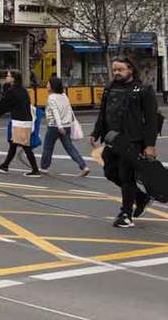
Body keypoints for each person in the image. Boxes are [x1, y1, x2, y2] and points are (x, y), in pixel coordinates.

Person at [92, 56, 161, 227]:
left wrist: (150, 145)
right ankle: (140, 197)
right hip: (111, 139)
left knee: (126, 176)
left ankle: (125, 214)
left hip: (132, 140)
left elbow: (151, 120)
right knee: (110, 172)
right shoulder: (110, 88)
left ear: (130, 69)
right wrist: (96, 133)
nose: (116, 73)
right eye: (114, 70)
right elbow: (103, 113)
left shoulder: (143, 90)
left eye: (120, 69)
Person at [0, 69, 41, 177]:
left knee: (25, 146)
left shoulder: (12, 91)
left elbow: (4, 105)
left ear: (13, 78)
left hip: (20, 122)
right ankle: (5, 165)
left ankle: (35, 170)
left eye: (8, 76)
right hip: (25, 121)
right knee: (13, 144)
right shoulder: (22, 90)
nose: (6, 78)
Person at [40, 76, 88, 176]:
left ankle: (44, 167)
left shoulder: (51, 98)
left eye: (48, 83)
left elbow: (55, 112)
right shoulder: (64, 96)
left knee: (48, 147)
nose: (47, 85)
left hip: (55, 126)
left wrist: (59, 126)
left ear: (52, 86)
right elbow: (69, 110)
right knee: (69, 147)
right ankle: (83, 166)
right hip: (67, 125)